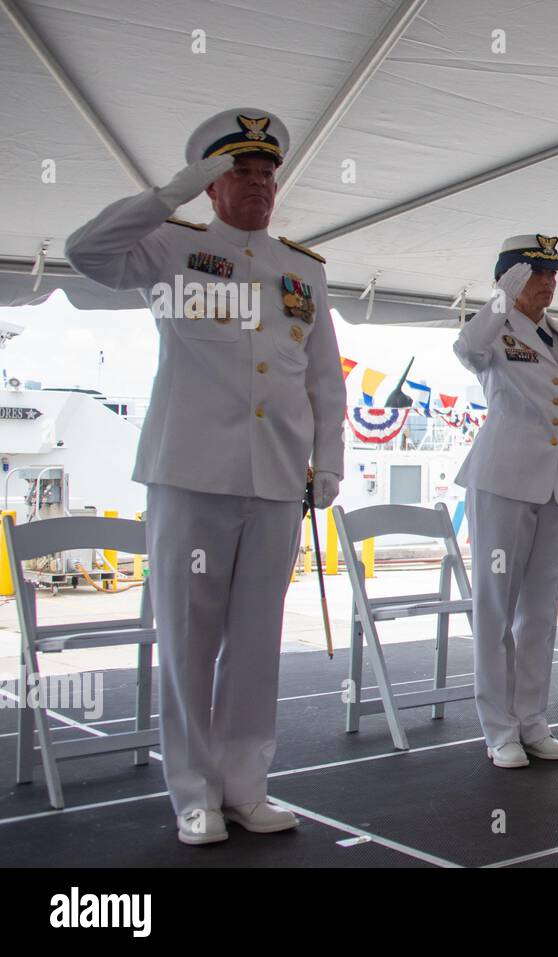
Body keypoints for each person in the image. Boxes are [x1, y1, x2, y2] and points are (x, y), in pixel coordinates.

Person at [65, 109, 346, 844]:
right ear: (213, 185)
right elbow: (85, 251)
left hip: (281, 477)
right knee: (188, 637)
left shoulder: (303, 270)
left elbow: (325, 380)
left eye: (266, 175)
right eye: (241, 173)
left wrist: (331, 462)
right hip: (191, 473)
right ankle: (192, 791)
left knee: (257, 639)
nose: (259, 186)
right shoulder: (169, 248)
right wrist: (176, 189)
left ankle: (246, 785)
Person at [453, 235, 558, 767]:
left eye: (552, 274)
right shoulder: (491, 328)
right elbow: (467, 352)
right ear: (510, 279)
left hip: (557, 489)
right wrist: (500, 300)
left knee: (540, 612)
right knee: (495, 609)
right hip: (503, 483)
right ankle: (499, 730)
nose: (549, 282)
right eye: (537, 273)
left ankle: (532, 721)